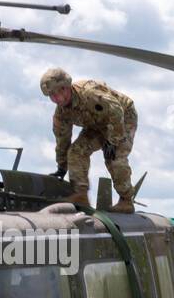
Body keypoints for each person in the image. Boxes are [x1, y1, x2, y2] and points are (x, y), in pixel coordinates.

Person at [39, 67, 137, 214]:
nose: (58, 98)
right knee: (76, 152)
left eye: (61, 90)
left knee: (114, 157)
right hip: (95, 124)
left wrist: (113, 140)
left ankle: (126, 200)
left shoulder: (89, 94)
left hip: (122, 118)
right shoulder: (61, 114)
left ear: (68, 86)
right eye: (52, 95)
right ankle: (81, 195)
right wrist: (62, 166)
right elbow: (62, 140)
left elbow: (116, 110)